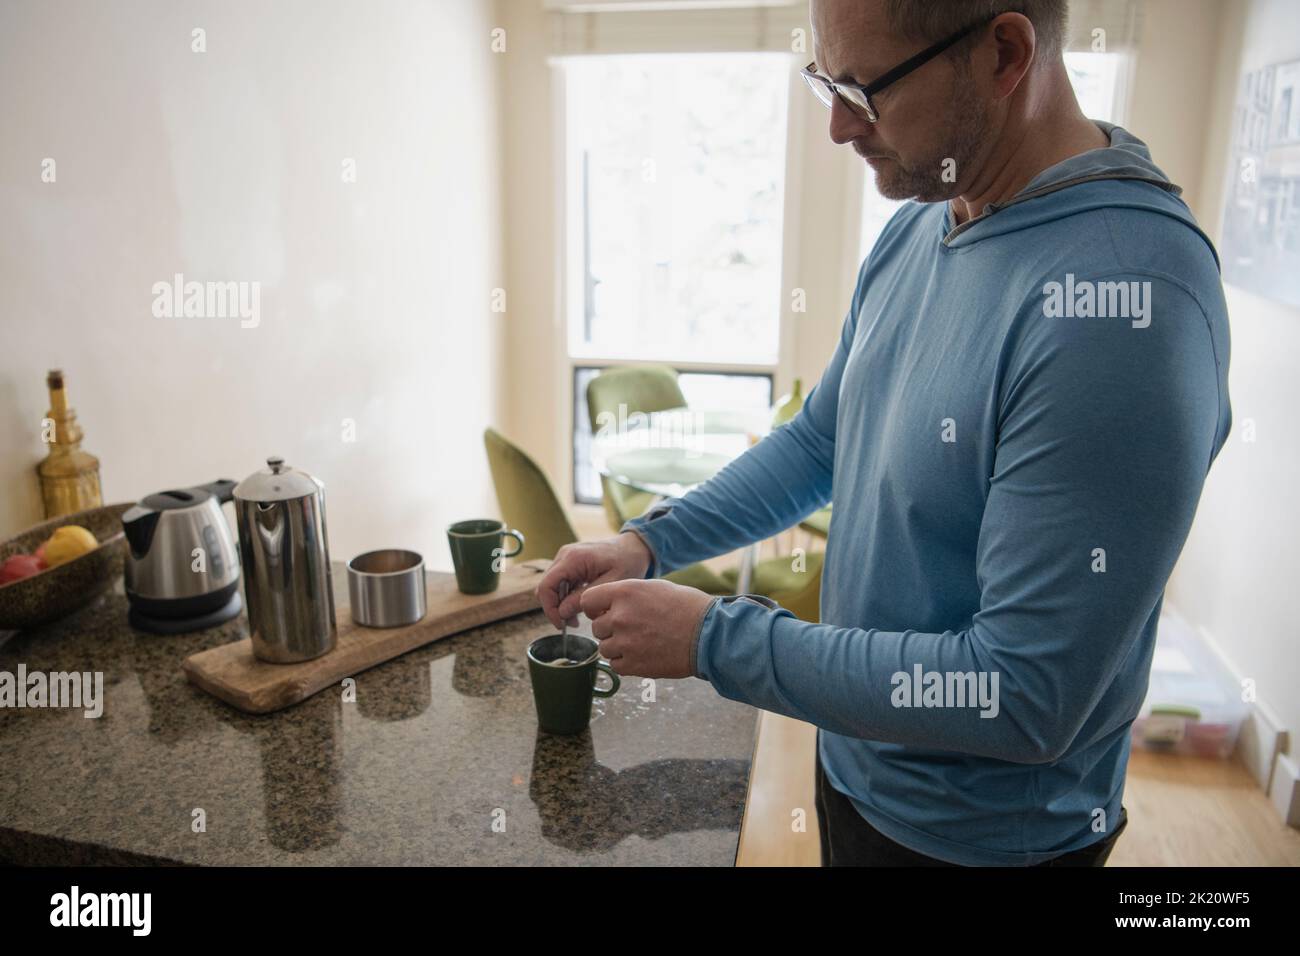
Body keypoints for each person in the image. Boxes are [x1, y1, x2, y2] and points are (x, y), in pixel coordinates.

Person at [536, 0, 1231, 866]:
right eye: (827, 81)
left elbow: (1022, 695)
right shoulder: (926, 219)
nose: (835, 126)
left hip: (980, 845)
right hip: (858, 771)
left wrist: (718, 640)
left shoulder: (1125, 307)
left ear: (1005, 53)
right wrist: (651, 541)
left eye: (865, 90)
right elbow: (825, 438)